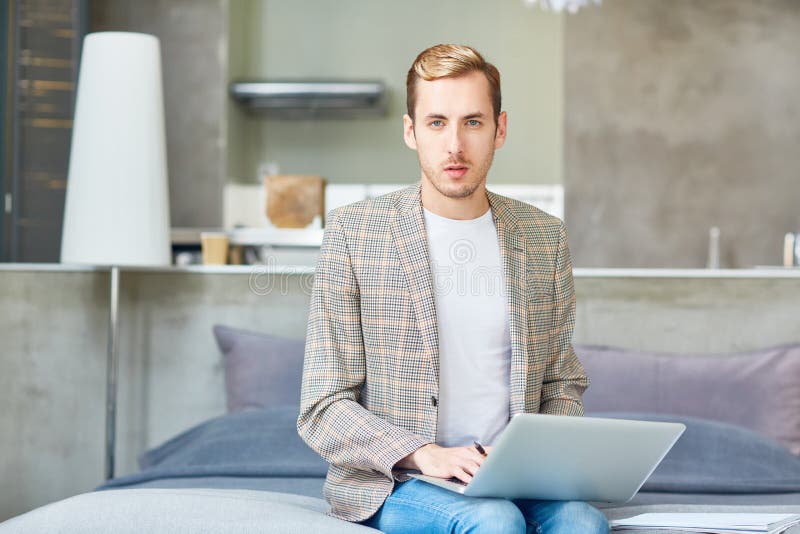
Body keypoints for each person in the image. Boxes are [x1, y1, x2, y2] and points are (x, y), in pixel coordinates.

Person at [297, 44, 608, 534]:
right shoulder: (354, 233)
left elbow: (560, 383)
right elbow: (323, 405)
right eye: (437, 122)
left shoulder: (544, 237)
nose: (455, 146)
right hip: (398, 478)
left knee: (583, 524)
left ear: (500, 129)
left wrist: (548, 455)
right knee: (495, 522)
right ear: (410, 130)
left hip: (514, 478)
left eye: (473, 122)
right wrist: (424, 455)